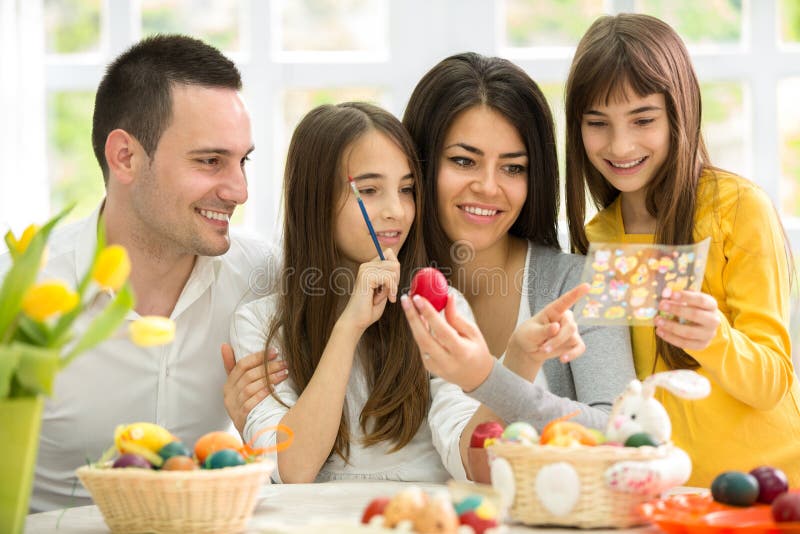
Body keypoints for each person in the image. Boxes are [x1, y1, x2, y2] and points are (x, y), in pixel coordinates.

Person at [0, 35, 281, 512]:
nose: (239, 190)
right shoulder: (20, 292)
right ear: (125, 157)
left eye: (243, 161)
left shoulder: (263, 278)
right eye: (210, 161)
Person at [564, 13, 800, 487]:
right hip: (668, 493)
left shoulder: (738, 210)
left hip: (771, 487)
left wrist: (715, 337)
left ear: (681, 113)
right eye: (597, 123)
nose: (620, 145)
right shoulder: (599, 236)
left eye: (643, 119)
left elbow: (772, 379)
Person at [230, 102, 483, 483]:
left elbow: (468, 451)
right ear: (314, 198)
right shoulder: (260, 323)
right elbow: (292, 468)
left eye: (406, 189)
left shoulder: (436, 307)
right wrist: (348, 327)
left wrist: (511, 370)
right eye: (369, 190)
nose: (397, 210)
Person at [398, 52, 634, 431]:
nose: (488, 187)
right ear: (420, 162)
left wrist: (491, 379)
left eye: (513, 168)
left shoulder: (580, 284)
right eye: (464, 161)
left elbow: (620, 431)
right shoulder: (381, 288)